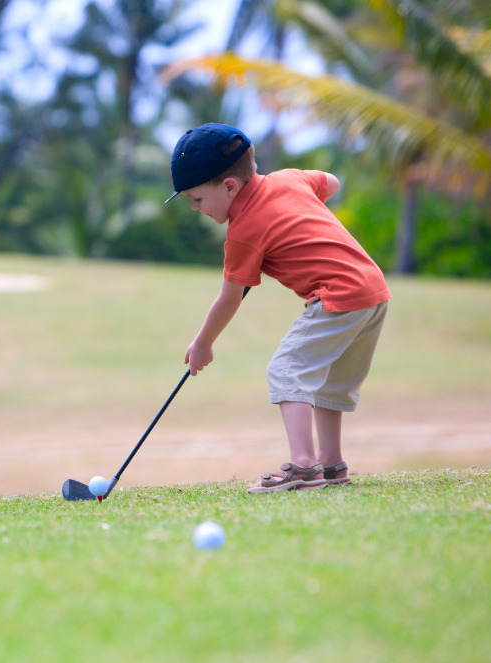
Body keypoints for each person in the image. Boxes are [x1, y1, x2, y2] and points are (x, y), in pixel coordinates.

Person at [165, 123, 390, 493]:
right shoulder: (288, 180)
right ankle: (332, 465)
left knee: (288, 371)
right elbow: (330, 182)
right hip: (373, 291)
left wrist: (203, 344)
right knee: (330, 381)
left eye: (197, 199)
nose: (193, 207)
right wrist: (295, 212)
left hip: (337, 295)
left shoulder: (243, 232)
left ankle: (303, 466)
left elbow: (229, 298)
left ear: (229, 187)